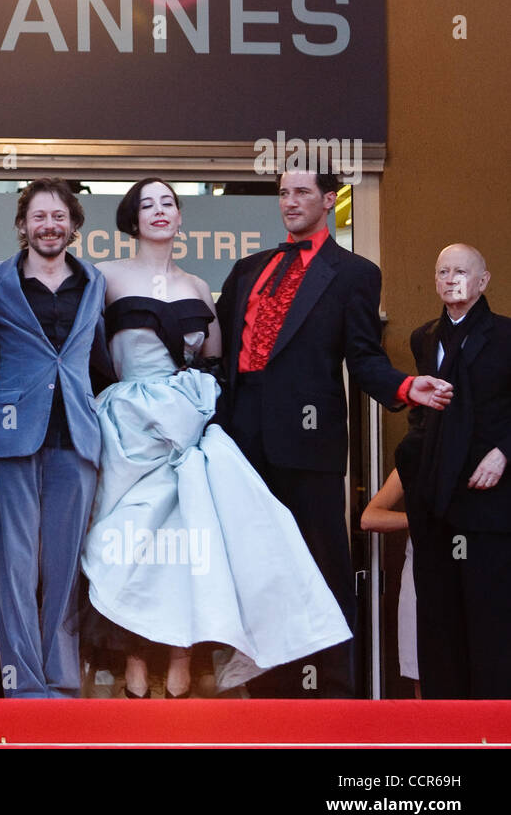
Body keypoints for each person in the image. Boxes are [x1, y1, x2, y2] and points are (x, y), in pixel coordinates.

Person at [77, 178, 349, 698]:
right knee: (131, 545)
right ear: (131, 219)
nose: (159, 211)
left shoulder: (201, 287)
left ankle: (184, 656)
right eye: (146, 204)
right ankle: (133, 655)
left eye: (168, 203)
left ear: (181, 218)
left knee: (193, 546)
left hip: (190, 426)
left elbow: (217, 363)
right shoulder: (103, 277)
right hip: (127, 428)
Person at [216, 170, 452, 697]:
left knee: (321, 567)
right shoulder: (247, 269)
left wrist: (406, 385)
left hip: (308, 442)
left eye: (302, 192)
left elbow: (364, 356)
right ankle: (268, 690)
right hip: (241, 442)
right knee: (255, 569)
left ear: (329, 200)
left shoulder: (353, 273)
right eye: (283, 193)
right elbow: (221, 358)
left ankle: (331, 694)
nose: (290, 201)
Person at [0, 177, 109, 698]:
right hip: (11, 437)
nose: (49, 225)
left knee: (64, 566)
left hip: (76, 436)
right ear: (22, 225)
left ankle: (62, 684)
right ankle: (23, 686)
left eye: (59, 217)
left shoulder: (95, 282)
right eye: (39, 216)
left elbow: (98, 357)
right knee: (13, 567)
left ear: (74, 225)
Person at [402, 243, 511, 698]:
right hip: (435, 502)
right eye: (442, 270)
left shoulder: (506, 336)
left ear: (483, 281)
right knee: (438, 618)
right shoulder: (424, 337)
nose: (451, 279)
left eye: (461, 271)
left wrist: (504, 451)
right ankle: (445, 725)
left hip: (488, 500)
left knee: (488, 621)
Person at [359, 468, 420, 697]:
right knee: (421, 669)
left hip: (472, 573)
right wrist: (417, 519)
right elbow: (369, 517)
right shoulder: (415, 454)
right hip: (421, 574)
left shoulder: (485, 457)